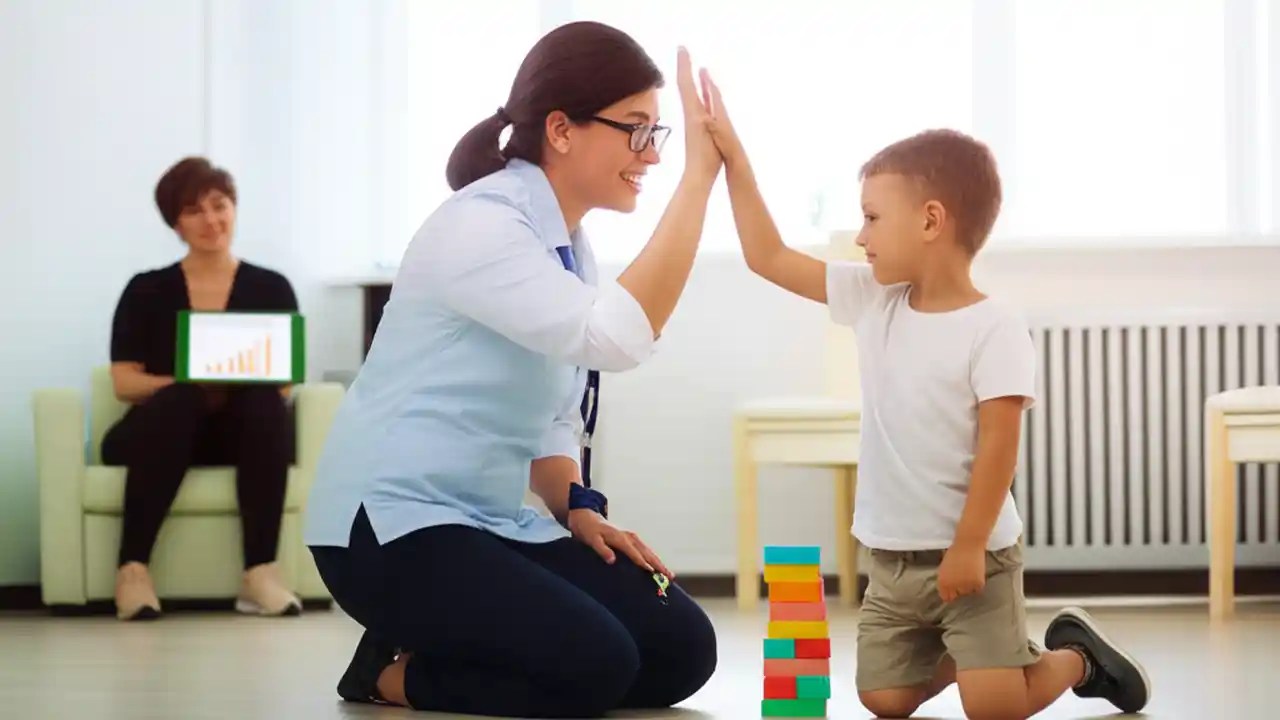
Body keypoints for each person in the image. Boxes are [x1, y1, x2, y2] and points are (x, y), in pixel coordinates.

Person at [302, 22, 721, 717]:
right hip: (387, 532)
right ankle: (387, 673)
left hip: (488, 521)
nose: (650, 155)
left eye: (659, 134)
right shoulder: (483, 226)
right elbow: (612, 338)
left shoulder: (566, 241)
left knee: (681, 647)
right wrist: (700, 181)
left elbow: (556, 407)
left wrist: (577, 507)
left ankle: (472, 645)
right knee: (597, 664)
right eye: (635, 130)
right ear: (561, 129)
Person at [700, 77, 1152, 719]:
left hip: (977, 561)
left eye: (872, 218)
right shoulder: (873, 297)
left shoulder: (994, 327)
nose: (860, 236)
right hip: (892, 561)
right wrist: (734, 159)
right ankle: (982, 657)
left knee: (992, 709)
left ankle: (1076, 658)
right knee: (882, 700)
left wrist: (969, 544)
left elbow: (1000, 447)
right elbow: (768, 256)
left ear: (932, 220)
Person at [105, 157, 303, 621]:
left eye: (220, 205)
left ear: (234, 208)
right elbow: (123, 381)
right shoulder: (147, 289)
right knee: (181, 398)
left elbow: (284, 381)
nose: (211, 220)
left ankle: (260, 572)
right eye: (194, 210)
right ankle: (132, 571)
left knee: (263, 400)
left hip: (238, 436)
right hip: (161, 431)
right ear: (175, 222)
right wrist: (190, 382)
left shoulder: (271, 287)